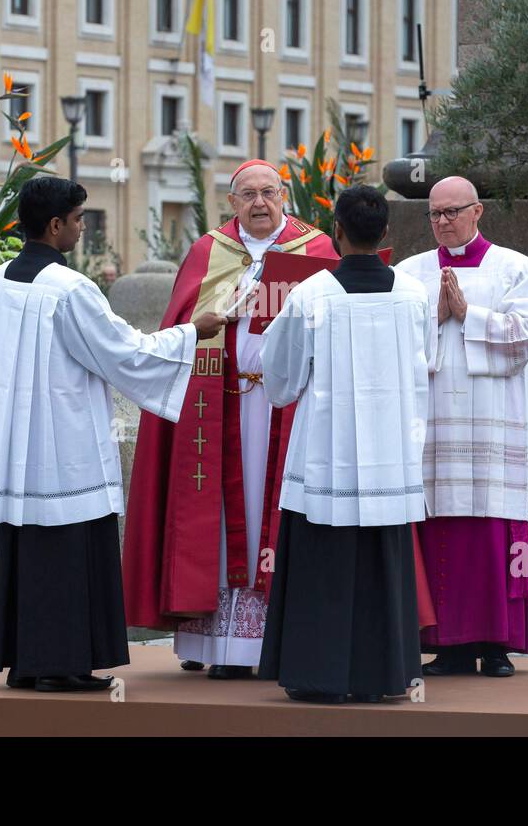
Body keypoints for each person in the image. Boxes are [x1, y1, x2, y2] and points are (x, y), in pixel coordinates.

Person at [0, 176, 226, 693]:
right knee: (68, 554)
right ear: (55, 224)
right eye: (79, 219)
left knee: (28, 551)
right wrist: (190, 332)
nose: (84, 228)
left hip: (16, 444)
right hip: (64, 446)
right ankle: (63, 664)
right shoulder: (70, 289)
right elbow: (122, 352)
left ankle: (25, 661)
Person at [124, 159, 337, 678]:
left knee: (279, 515)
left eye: (268, 193)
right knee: (219, 520)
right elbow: (181, 321)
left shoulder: (316, 249)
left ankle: (278, 640)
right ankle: (218, 645)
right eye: (248, 195)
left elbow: (337, 319)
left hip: (290, 410)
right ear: (232, 203)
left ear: (284, 195)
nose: (259, 203)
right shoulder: (209, 249)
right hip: (221, 410)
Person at [258, 186, 433, 703]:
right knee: (383, 566)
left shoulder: (311, 296)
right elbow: (425, 365)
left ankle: (319, 675)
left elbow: (281, 381)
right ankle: (384, 674)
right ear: (386, 236)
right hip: (391, 457)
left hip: (326, 457)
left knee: (324, 567)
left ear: (336, 232)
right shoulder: (414, 295)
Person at [395, 176, 528, 677]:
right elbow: (392, 346)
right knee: (439, 532)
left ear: (477, 211)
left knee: (491, 534)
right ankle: (449, 646)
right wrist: (433, 318)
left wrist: (469, 314)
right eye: (434, 214)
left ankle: (496, 645)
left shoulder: (514, 267)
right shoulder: (408, 274)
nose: (442, 222)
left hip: (491, 426)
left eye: (452, 212)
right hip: (432, 432)